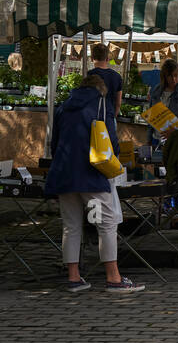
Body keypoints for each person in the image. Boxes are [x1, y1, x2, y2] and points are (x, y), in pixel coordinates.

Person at [47, 73, 144, 293]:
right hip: (91, 175)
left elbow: (54, 143)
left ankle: (74, 277)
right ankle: (113, 277)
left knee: (71, 227)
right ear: (102, 89)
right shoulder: (102, 104)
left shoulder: (63, 107)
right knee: (106, 224)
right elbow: (111, 140)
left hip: (65, 175)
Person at [88, 43, 122, 147]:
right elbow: (118, 103)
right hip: (109, 118)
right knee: (108, 150)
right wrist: (113, 116)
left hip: (91, 118)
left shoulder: (89, 75)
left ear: (92, 58)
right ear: (107, 58)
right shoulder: (117, 77)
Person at [148, 58, 178, 131]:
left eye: (176, 75)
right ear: (164, 76)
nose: (173, 79)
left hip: (175, 138)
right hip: (156, 136)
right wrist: (149, 138)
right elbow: (151, 116)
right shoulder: (157, 90)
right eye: (170, 76)